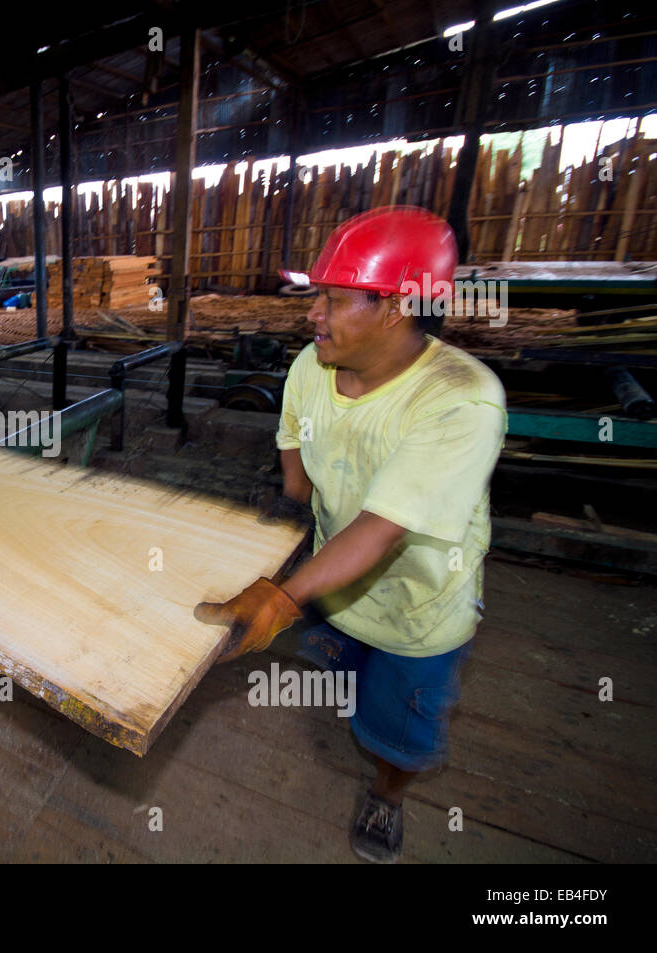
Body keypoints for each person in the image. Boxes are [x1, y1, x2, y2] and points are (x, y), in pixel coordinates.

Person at [194, 206, 507, 863]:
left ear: (394, 308)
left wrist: (281, 598)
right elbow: (295, 452)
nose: (313, 314)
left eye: (333, 300)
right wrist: (284, 515)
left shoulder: (461, 399)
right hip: (334, 588)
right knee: (340, 675)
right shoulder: (311, 365)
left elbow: (382, 529)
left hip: (416, 610)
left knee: (397, 732)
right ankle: (352, 688)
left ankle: (387, 797)